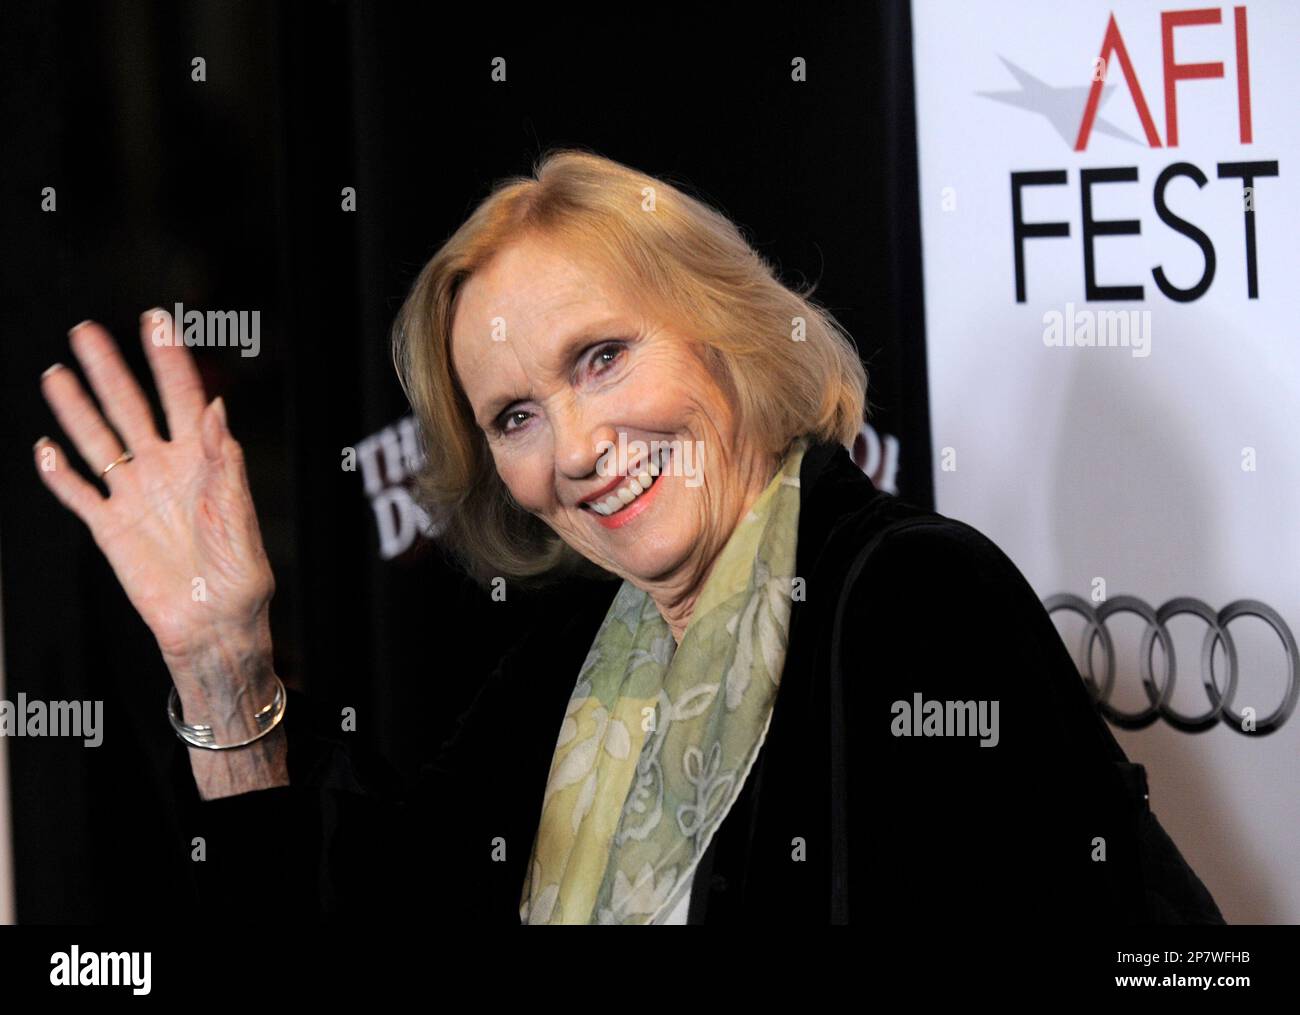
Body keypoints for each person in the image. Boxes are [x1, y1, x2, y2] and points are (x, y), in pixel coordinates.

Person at [32, 149, 1224, 925]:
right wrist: (223, 660)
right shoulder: (563, 677)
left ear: (727, 331)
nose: (577, 446)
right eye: (514, 416)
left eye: (600, 357)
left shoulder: (907, 597)